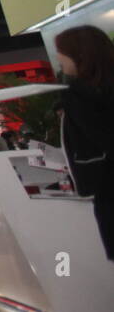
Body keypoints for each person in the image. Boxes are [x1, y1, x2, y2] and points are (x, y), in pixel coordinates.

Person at [54, 25, 114, 259]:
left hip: (106, 184)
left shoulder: (76, 94)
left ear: (78, 54)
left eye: (60, 51)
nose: (58, 57)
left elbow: (98, 136)